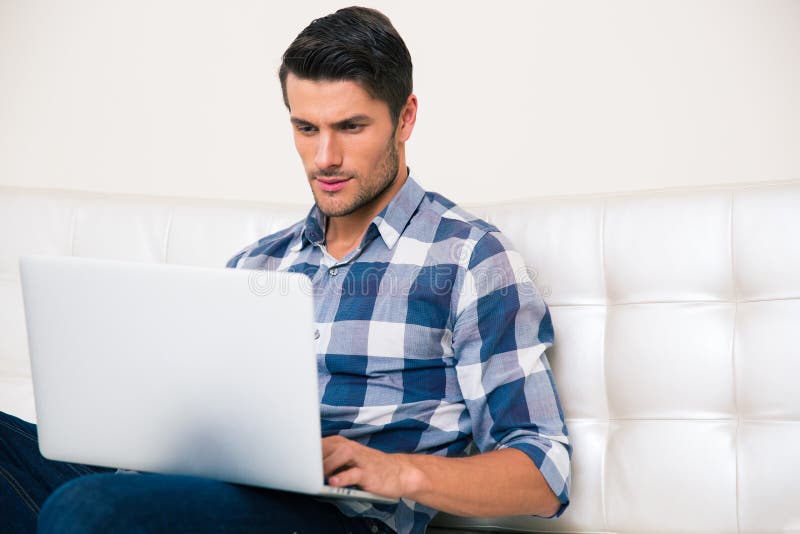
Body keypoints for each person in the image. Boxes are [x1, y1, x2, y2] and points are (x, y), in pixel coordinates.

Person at [0, 6, 570, 534]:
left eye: (351, 127)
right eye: (305, 128)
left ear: (405, 119)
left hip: (336, 520)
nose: (325, 158)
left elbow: (543, 471)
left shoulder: (470, 258)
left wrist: (399, 472)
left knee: (87, 510)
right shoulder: (256, 264)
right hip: (200, 496)